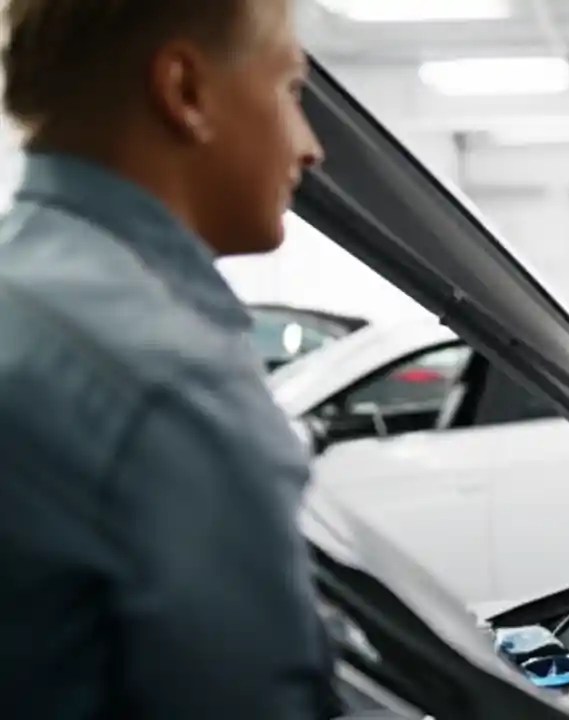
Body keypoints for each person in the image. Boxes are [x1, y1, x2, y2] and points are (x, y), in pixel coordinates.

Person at [0, 1, 336, 717]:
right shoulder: (170, 386)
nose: (310, 147)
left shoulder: (23, 300)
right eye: (290, 89)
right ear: (185, 92)